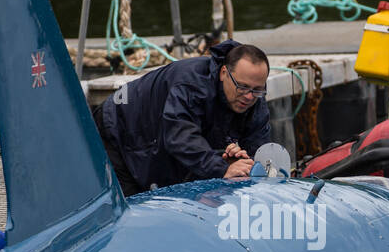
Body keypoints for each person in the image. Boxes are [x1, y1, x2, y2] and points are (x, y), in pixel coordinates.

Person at [92, 41, 271, 196]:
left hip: (158, 138)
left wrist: (240, 161)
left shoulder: (256, 101)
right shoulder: (190, 84)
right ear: (224, 73)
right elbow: (179, 137)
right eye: (242, 87)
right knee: (136, 209)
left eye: (257, 89)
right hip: (117, 131)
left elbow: (257, 151)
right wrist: (223, 168)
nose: (249, 97)